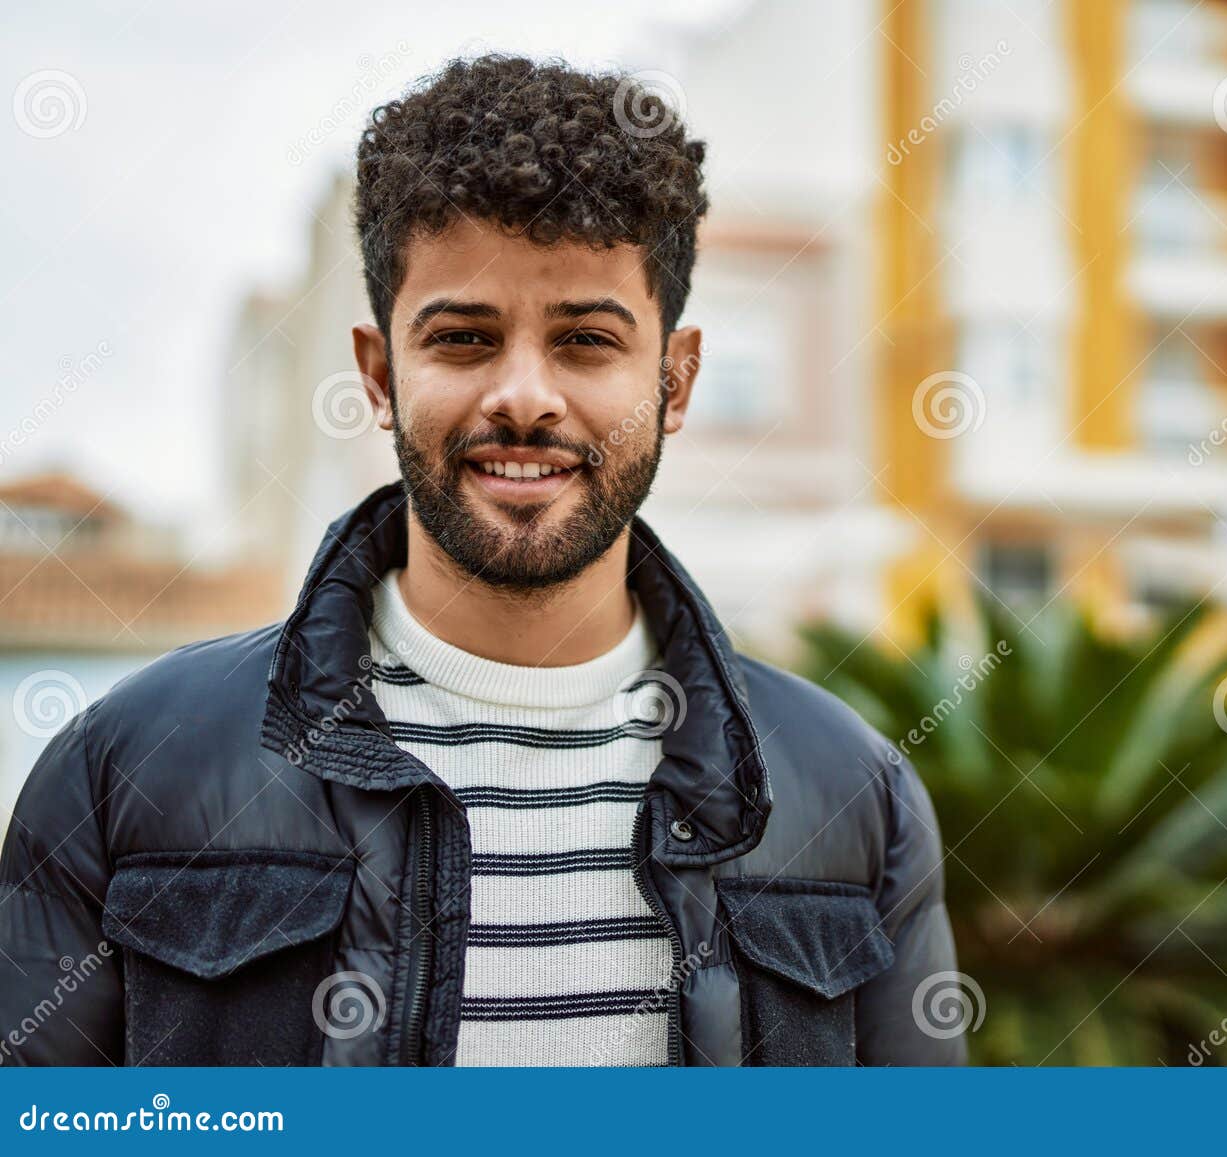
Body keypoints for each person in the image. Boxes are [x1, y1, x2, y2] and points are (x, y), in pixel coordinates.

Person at [0, 54, 962, 1067]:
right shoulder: (124, 770)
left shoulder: (857, 798)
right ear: (379, 374)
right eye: (463, 338)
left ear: (675, 381)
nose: (523, 397)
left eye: (586, 340)